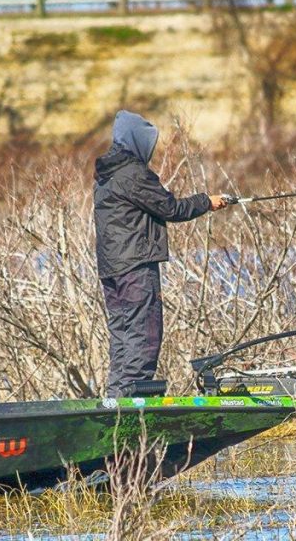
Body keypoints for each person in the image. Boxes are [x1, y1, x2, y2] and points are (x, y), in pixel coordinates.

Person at [93, 110, 228, 398]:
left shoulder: (105, 176)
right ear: (136, 142)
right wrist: (207, 202)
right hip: (136, 268)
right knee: (144, 338)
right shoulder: (133, 174)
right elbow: (171, 209)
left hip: (112, 270)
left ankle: (116, 401)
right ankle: (130, 408)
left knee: (122, 339)